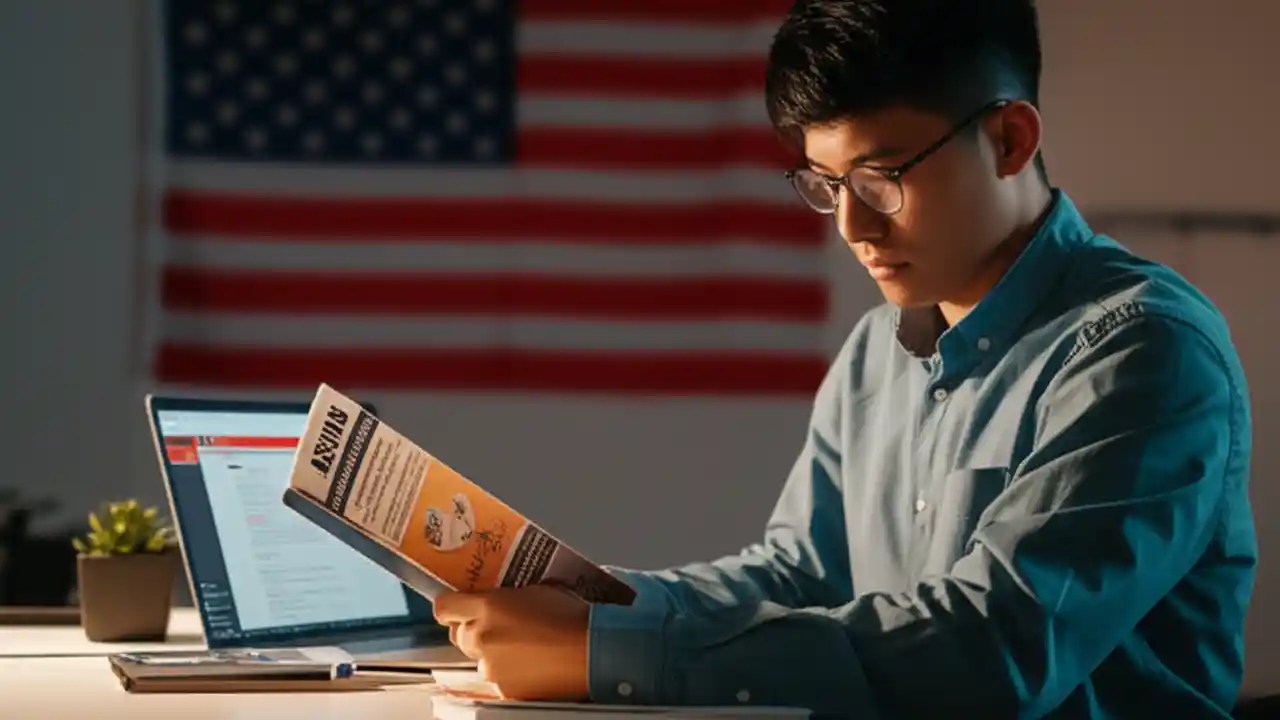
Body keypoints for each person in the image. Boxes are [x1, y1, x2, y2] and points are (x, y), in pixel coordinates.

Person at [432, 1, 1256, 716]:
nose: (853, 229)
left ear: (1009, 138)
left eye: (880, 177)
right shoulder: (878, 350)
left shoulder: (1142, 348)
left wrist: (616, 654)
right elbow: (798, 575)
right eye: (825, 183)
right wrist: (595, 603)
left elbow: (995, 645)